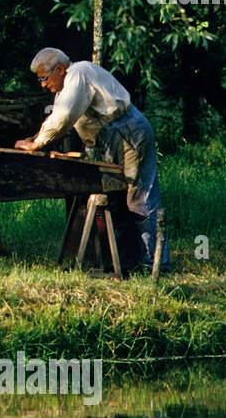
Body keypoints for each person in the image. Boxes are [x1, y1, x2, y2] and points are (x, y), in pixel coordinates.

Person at [14, 48, 169, 273]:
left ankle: (155, 265)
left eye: (44, 78)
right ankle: (131, 263)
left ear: (59, 69)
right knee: (119, 197)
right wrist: (36, 138)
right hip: (112, 135)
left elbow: (64, 117)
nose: (43, 84)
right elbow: (57, 116)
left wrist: (37, 144)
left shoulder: (78, 72)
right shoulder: (66, 88)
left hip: (127, 131)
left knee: (139, 197)